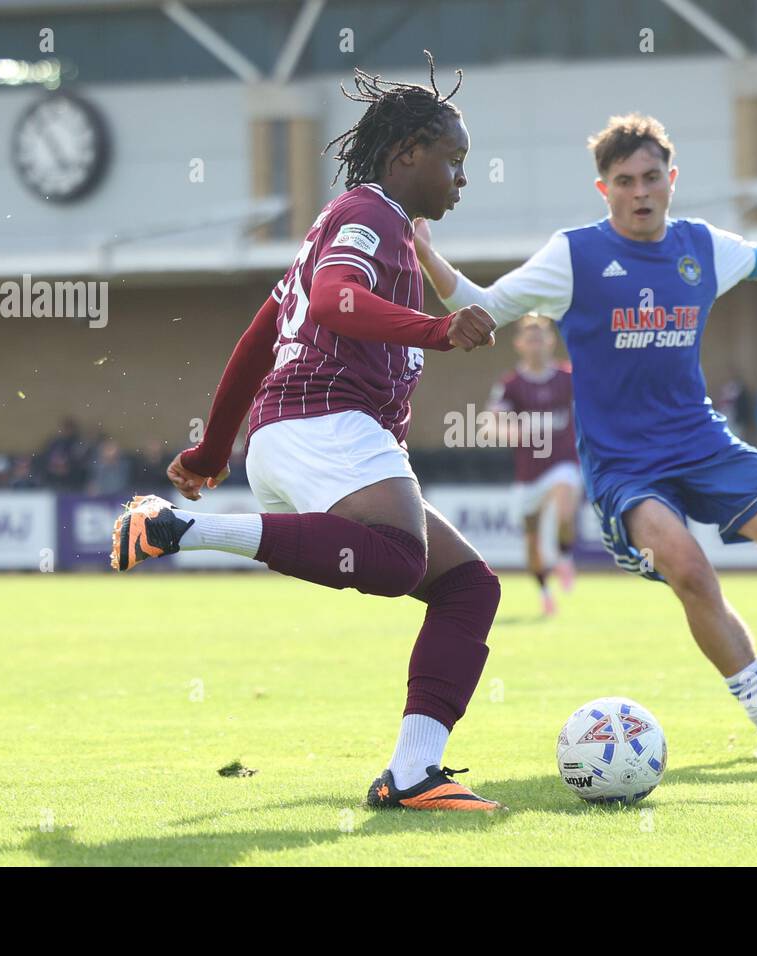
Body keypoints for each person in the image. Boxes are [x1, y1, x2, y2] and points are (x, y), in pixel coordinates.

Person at [415, 113, 757, 756]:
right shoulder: (575, 255)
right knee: (690, 570)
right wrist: (428, 256)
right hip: (626, 466)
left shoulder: (702, 246)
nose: (640, 191)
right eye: (624, 181)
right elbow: (479, 305)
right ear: (605, 190)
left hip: (702, 442)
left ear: (672, 180)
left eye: (652, 177)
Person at [108, 54, 506, 811]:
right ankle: (180, 530)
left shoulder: (344, 225)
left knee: (467, 587)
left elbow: (261, 339)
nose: (461, 180)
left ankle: (415, 772)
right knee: (396, 562)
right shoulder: (373, 217)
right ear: (405, 153)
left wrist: (209, 450)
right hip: (326, 421)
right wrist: (438, 329)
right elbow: (331, 303)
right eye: (454, 162)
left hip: (299, 432)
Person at [487, 313, 580, 616]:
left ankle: (565, 558)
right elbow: (489, 426)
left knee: (565, 499)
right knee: (532, 543)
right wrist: (511, 431)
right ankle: (544, 591)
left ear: (551, 341)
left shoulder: (568, 378)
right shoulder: (511, 385)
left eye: (541, 338)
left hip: (563, 463)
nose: (536, 344)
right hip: (529, 475)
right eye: (530, 339)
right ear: (519, 345)